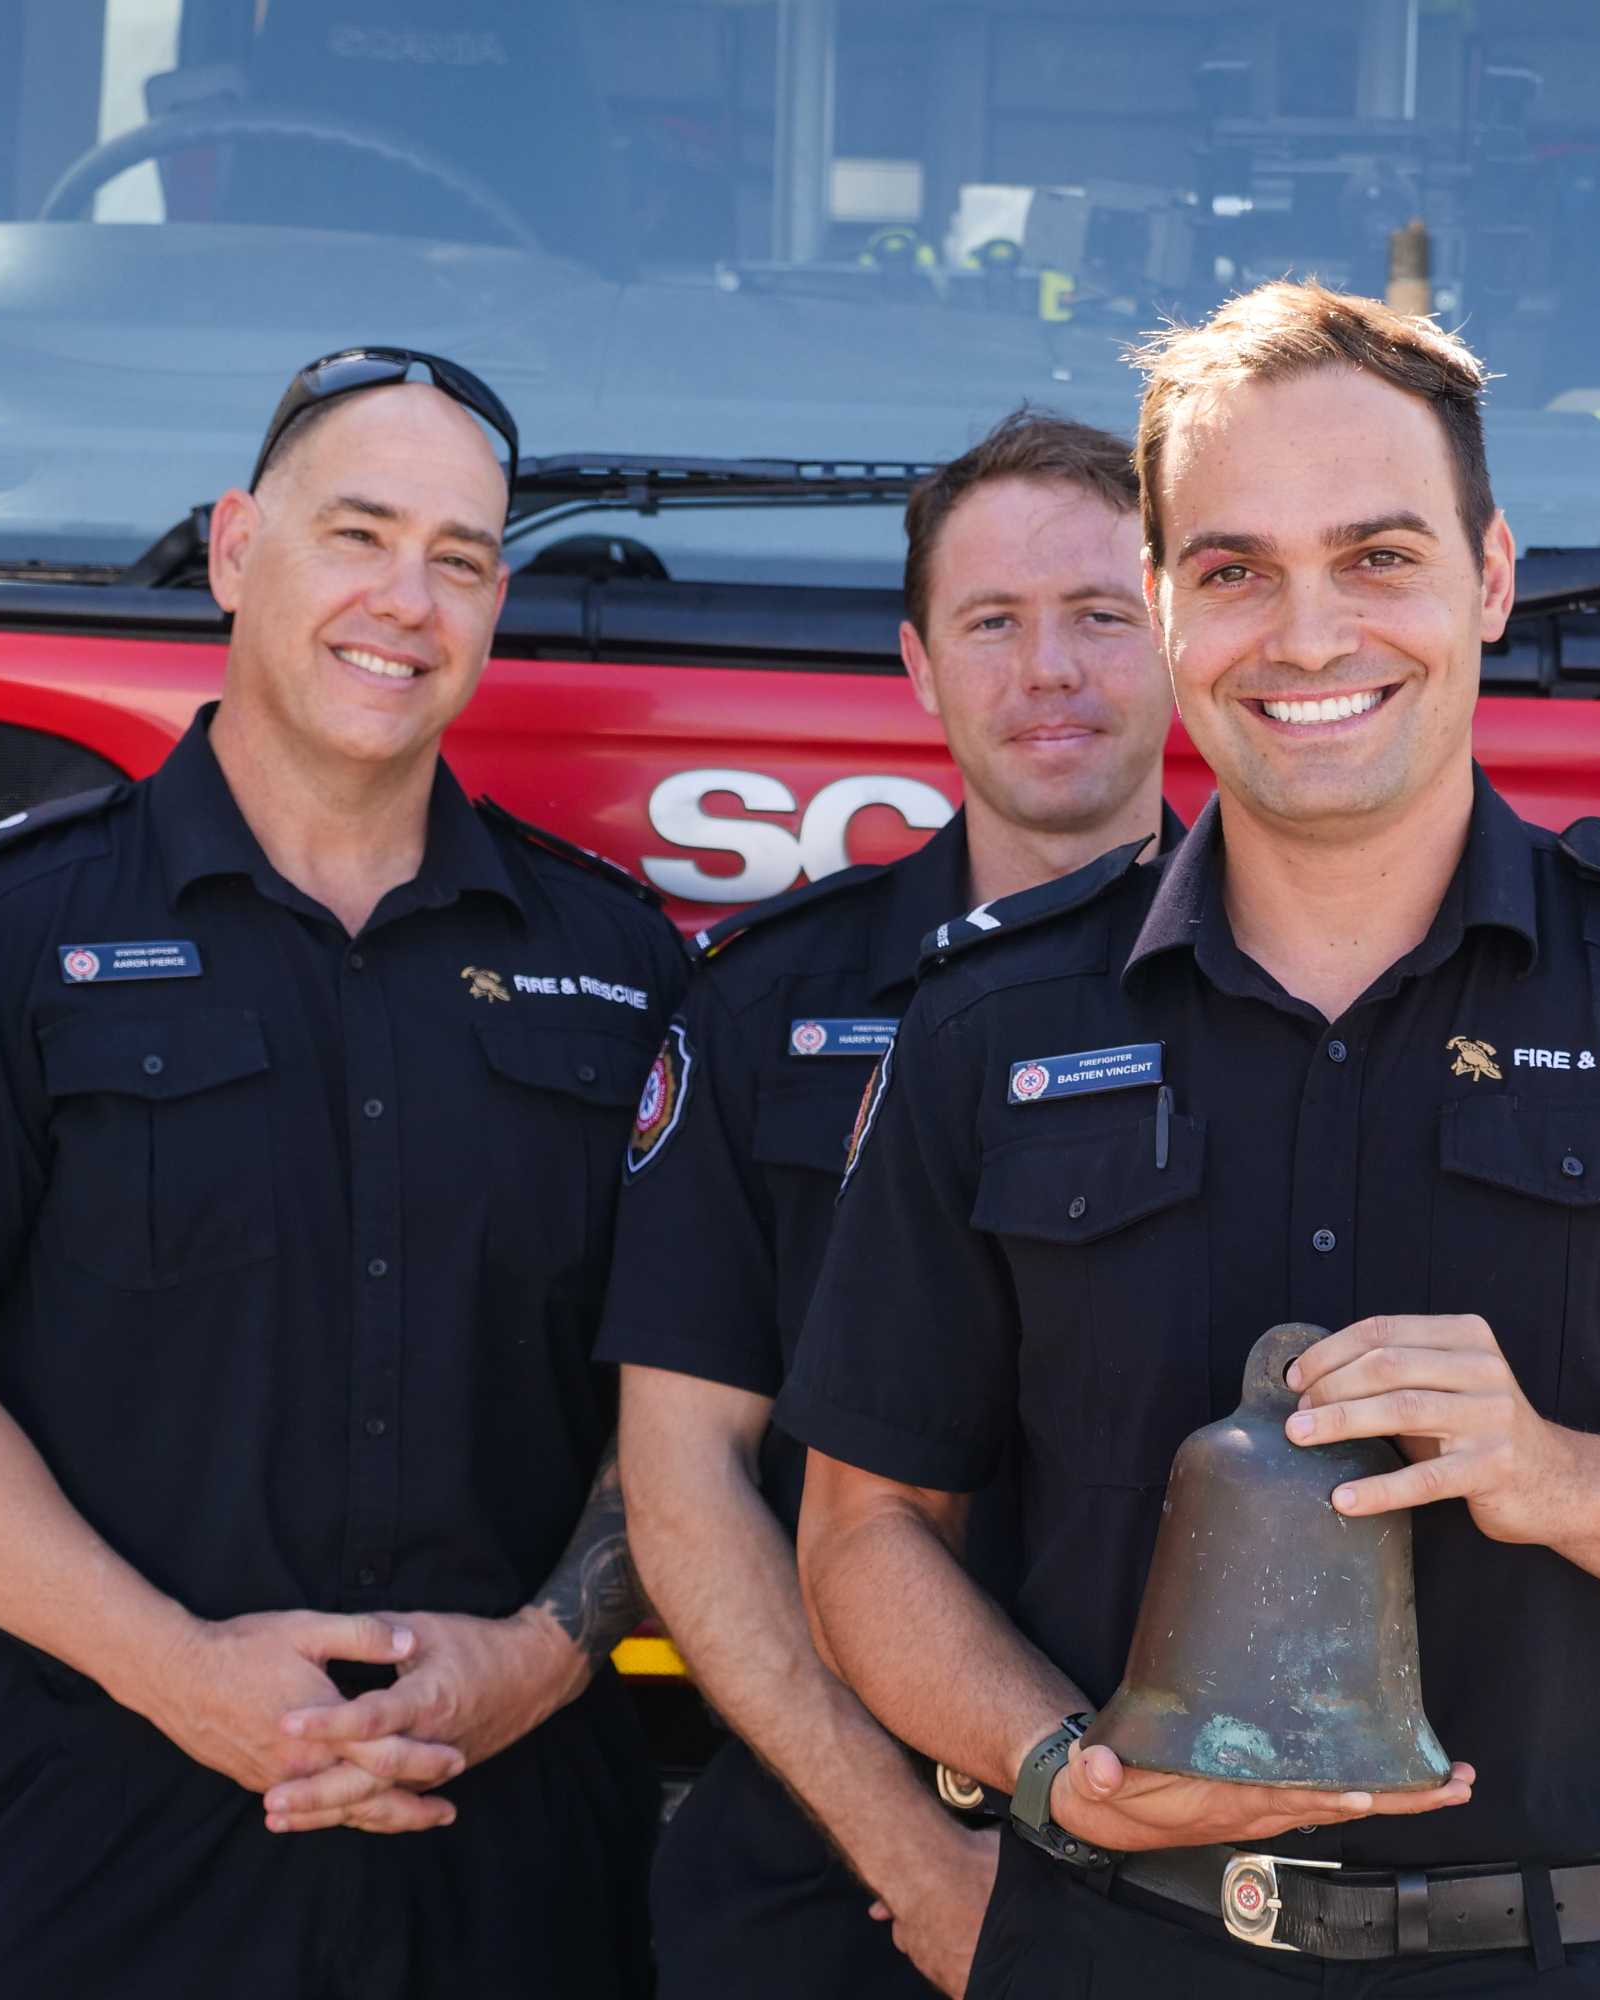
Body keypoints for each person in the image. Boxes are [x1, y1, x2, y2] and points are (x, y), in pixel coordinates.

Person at [778, 281, 1600, 1997]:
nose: (1307, 635)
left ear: (1490, 577)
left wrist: (1557, 1474)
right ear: (1160, 607)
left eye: (1378, 557)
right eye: (1233, 571)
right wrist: (1061, 1766)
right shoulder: (991, 1030)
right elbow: (862, 1536)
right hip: (1125, 1952)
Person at [0, 349, 680, 1999]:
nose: (406, 600)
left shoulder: (619, 964)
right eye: (359, 534)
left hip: (517, 1879)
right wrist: (173, 1670)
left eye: (461, 559)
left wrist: (544, 1661)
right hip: (94, 1873)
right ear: (238, 550)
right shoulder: (8, 939)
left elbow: (693, 1396)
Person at [597, 407, 1180, 1998]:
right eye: (993, 623)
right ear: (918, 667)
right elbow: (686, 1479)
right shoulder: (763, 1004)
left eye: (1101, 616)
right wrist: (912, 1852)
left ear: (1184, 633)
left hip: (1218, 1887)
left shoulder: (1309, 992)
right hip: (826, 1867)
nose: (1048, 668)